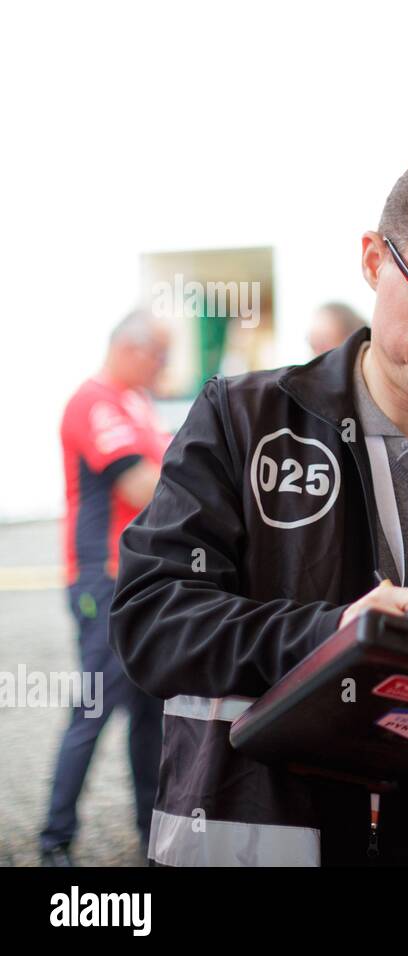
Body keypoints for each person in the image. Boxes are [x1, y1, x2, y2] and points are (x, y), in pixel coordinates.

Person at [111, 145, 408, 866]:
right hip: (251, 843)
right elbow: (151, 622)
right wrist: (328, 638)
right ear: (373, 260)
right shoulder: (244, 421)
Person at [42, 310, 171, 866]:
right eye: (160, 355)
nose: (165, 367)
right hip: (104, 579)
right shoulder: (95, 402)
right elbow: (144, 486)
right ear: (133, 349)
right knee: (93, 710)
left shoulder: (136, 403)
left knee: (151, 714)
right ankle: (54, 841)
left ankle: (154, 835)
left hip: (140, 581)